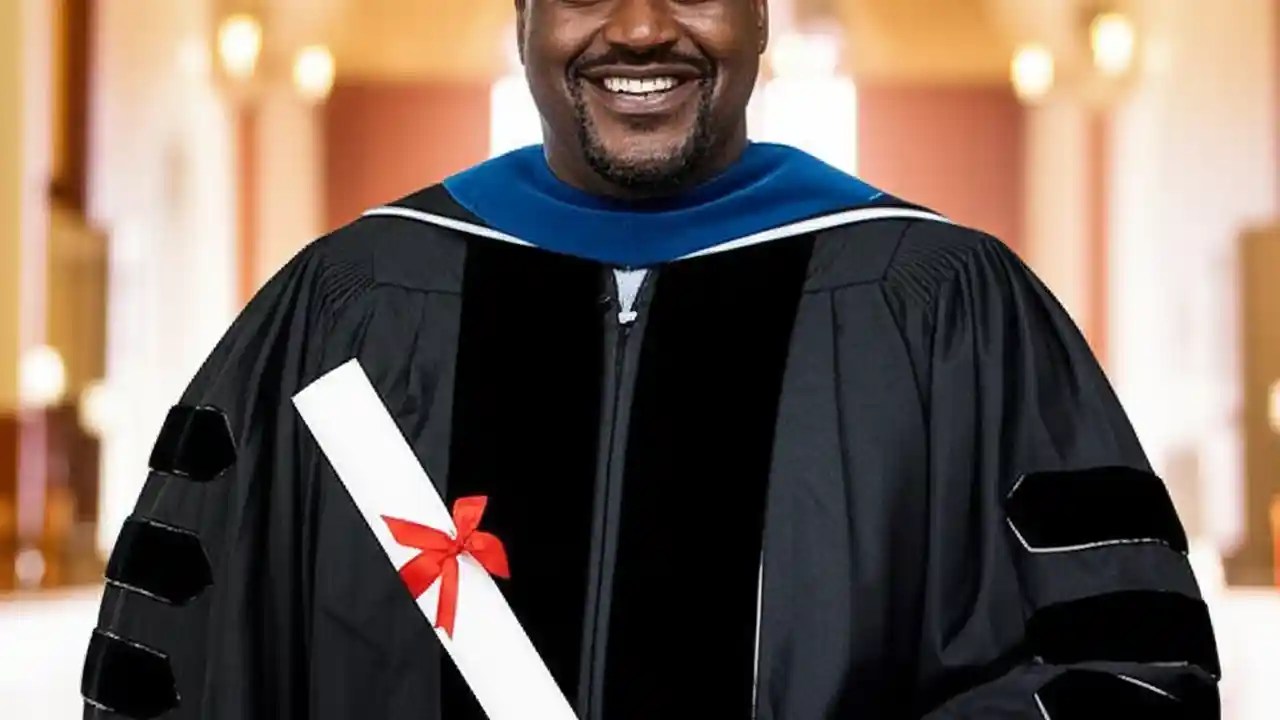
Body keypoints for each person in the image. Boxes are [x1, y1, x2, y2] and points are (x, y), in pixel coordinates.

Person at [81, 1, 1221, 718]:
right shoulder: (344, 309)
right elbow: (175, 659)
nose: (636, 28)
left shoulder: (944, 308)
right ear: (520, 16)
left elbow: (1116, 662)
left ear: (762, 18)